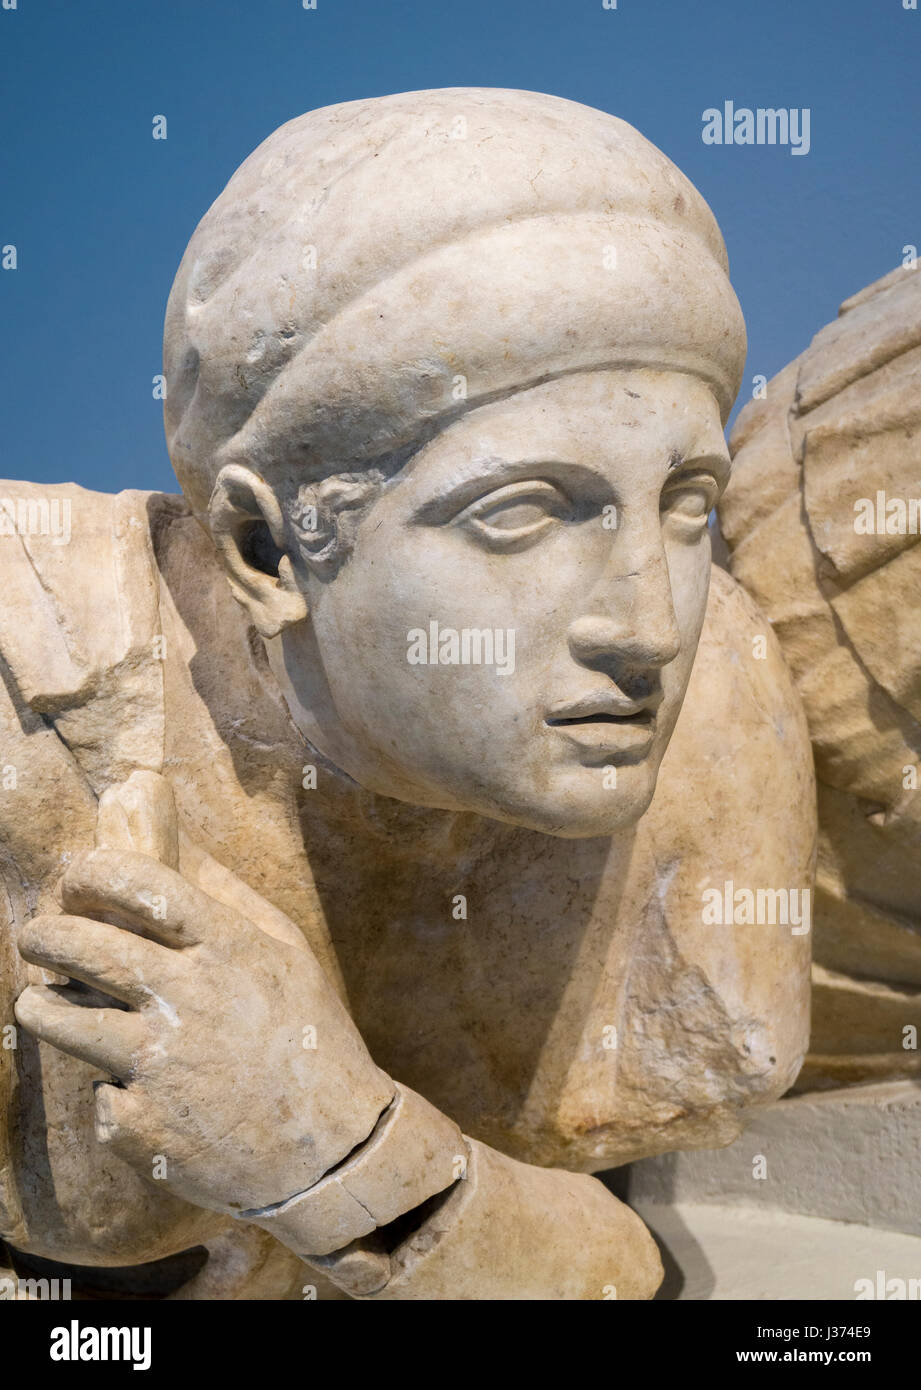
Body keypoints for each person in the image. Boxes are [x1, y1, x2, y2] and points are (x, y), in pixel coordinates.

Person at [2, 88, 814, 1299]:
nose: (652, 628)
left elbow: (625, 1278)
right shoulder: (35, 710)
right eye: (525, 512)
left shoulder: (715, 725)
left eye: (686, 501)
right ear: (266, 552)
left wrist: (334, 1143)